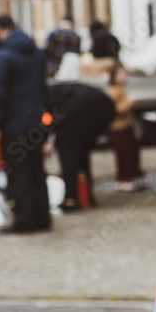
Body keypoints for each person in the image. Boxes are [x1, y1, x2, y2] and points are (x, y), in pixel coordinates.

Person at [0, 15, 51, 234]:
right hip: (35, 121)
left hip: (14, 124)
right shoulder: (36, 52)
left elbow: (0, 93)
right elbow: (43, 87)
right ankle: (43, 217)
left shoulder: (3, 55)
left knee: (18, 171)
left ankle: (24, 219)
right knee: (36, 170)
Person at [44, 82, 116, 210]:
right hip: (104, 106)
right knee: (80, 150)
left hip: (87, 108)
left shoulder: (38, 99)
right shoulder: (52, 91)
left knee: (66, 149)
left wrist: (48, 142)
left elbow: (48, 122)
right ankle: (86, 197)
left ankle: (71, 199)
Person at [106, 62, 143, 191]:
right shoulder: (112, 91)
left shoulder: (121, 89)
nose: (125, 77)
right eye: (122, 74)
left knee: (132, 151)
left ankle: (133, 175)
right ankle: (124, 179)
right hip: (118, 127)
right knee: (123, 154)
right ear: (114, 76)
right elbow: (116, 109)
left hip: (127, 125)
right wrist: (129, 102)